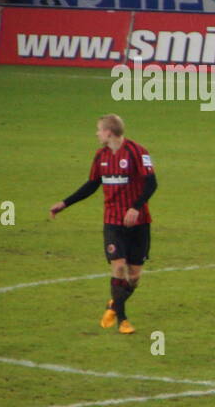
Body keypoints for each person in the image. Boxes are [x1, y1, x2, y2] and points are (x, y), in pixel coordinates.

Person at [49, 114, 158, 334]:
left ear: (109, 132)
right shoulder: (100, 156)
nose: (97, 133)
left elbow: (151, 184)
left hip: (139, 223)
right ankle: (123, 320)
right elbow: (92, 184)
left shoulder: (138, 151)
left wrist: (135, 208)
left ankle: (114, 305)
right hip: (113, 222)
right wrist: (65, 203)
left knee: (134, 277)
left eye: (99, 130)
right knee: (118, 267)